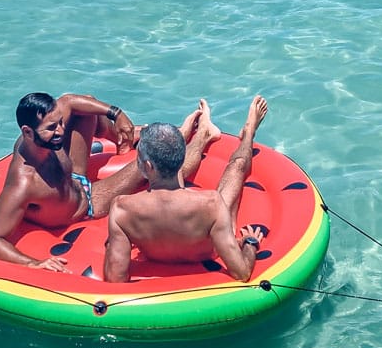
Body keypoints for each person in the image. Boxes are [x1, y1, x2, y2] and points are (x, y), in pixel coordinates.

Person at [0, 92, 221, 270]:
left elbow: (68, 101)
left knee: (87, 111)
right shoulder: (24, 183)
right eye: (51, 128)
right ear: (27, 132)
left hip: (74, 177)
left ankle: (126, 136)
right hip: (88, 202)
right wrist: (34, 264)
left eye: (60, 123)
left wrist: (115, 114)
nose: (60, 131)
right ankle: (202, 135)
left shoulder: (49, 136)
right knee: (160, 164)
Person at [103, 96, 269, 283]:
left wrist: (113, 243)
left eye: (139, 156)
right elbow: (242, 273)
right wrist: (250, 244)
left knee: (167, 178)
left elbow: (114, 279)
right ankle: (247, 135)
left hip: (154, 255)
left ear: (148, 166)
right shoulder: (211, 204)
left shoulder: (122, 210)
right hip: (206, 251)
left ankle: (210, 132)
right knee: (237, 166)